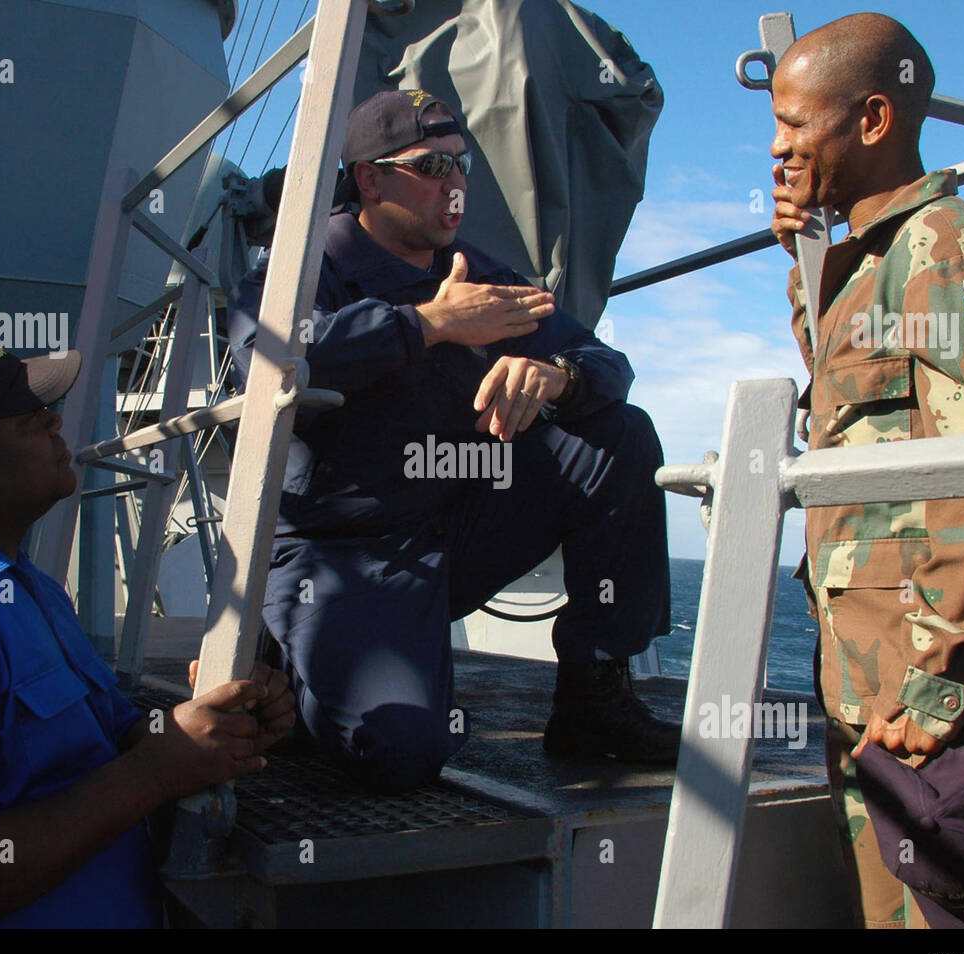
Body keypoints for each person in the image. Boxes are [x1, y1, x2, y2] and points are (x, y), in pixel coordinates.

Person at [228, 88, 678, 792]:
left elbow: (607, 365)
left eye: (462, 166)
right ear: (370, 179)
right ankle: (291, 659)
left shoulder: (480, 275)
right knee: (398, 753)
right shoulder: (301, 268)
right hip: (342, 550)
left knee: (617, 434)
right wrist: (424, 325)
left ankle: (594, 694)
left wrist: (554, 375)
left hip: (456, 525)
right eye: (432, 166)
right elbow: (266, 359)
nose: (456, 185)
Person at [0, 330, 294, 928]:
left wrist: (205, 722)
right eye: (25, 418)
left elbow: (97, 748)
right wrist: (160, 768)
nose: (54, 423)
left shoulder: (10, 582)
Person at [768, 14, 964, 928]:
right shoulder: (872, 263)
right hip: (883, 703)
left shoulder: (951, 252)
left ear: (872, 120)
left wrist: (942, 680)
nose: (779, 148)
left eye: (796, 125)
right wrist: (805, 261)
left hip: (951, 714)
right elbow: (850, 387)